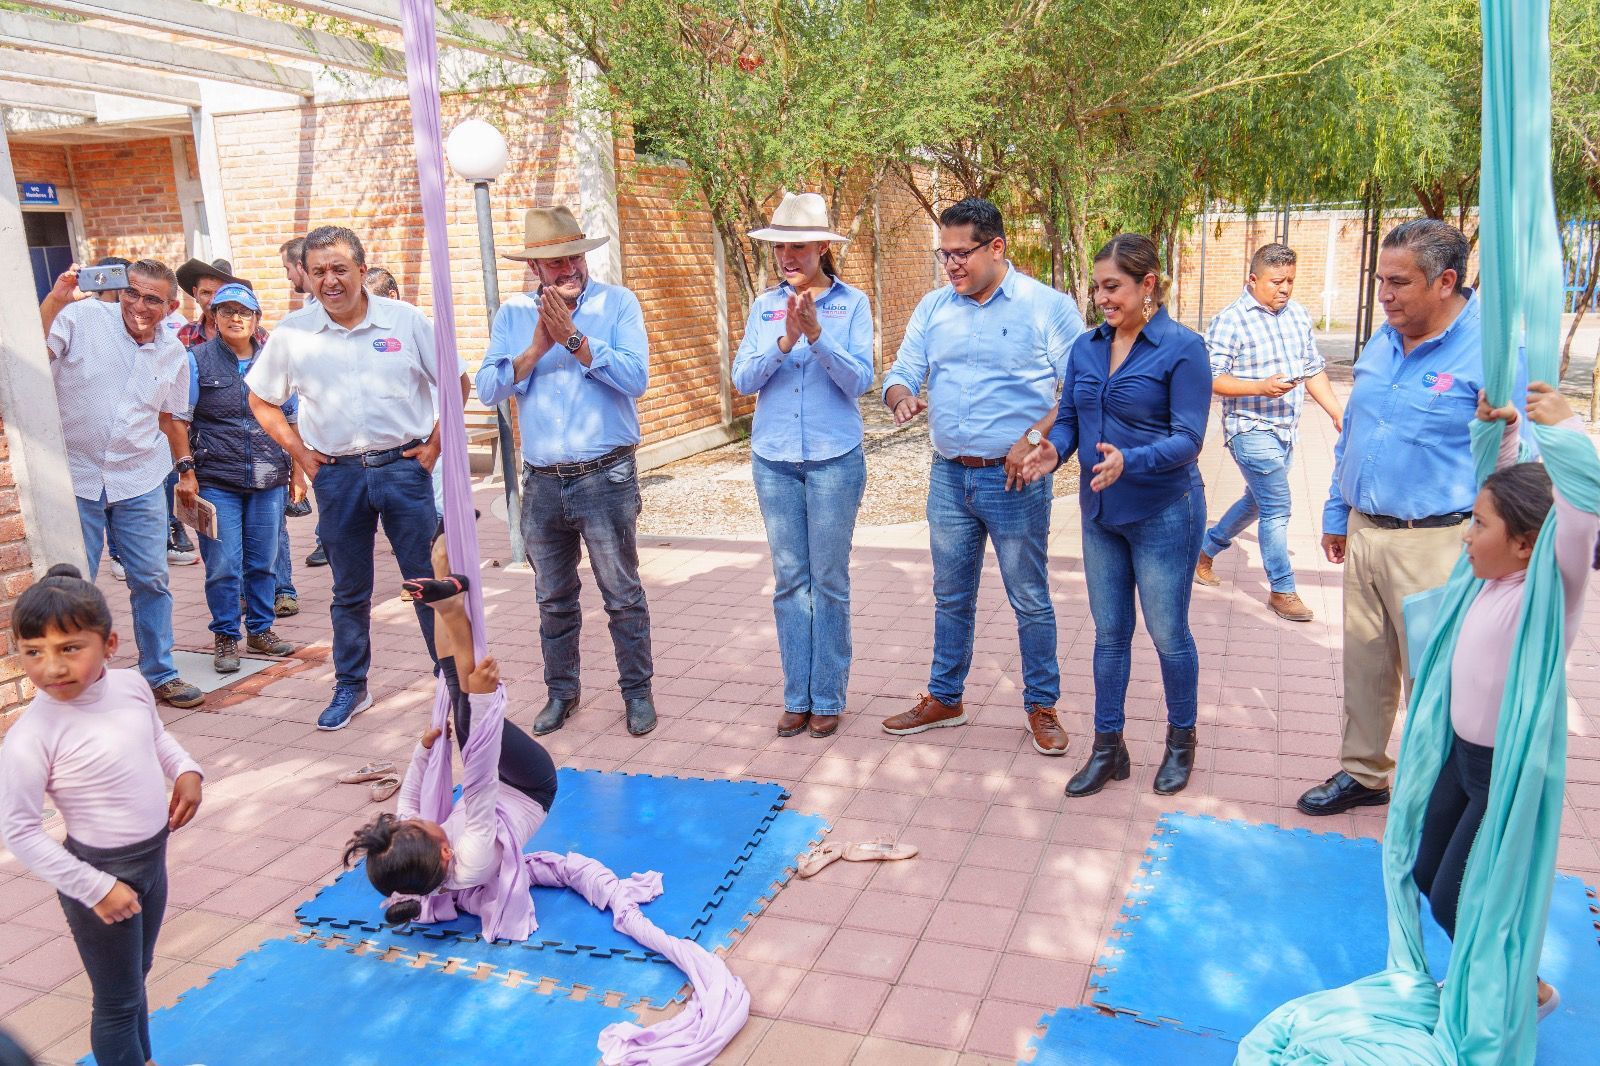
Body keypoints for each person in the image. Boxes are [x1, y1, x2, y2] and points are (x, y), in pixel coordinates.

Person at [1299, 219, 1505, 816]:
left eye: (1399, 282)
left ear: (1445, 281)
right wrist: (1338, 510)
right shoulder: (1385, 338)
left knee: (1433, 679)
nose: (1384, 295)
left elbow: (1519, 461)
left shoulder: (1491, 354)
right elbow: (1355, 433)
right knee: (1365, 664)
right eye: (1380, 280)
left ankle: (1436, 791)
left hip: (1439, 543)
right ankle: (1364, 773)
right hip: (1366, 531)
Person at [1410, 382, 1593, 1023]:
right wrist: (1508, 432)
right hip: (1461, 758)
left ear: (1527, 545)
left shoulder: (1546, 593)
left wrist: (1566, 429)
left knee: (1458, 899)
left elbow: (1577, 520)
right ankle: (1483, 975)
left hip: (1502, 774)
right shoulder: (1485, 577)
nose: (1466, 535)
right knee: (1428, 875)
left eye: (1479, 525)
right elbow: (1504, 490)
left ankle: (1521, 991)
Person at [877, 197, 1084, 755]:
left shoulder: (1047, 307)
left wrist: (1034, 439)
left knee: (1029, 598)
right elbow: (901, 371)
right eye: (943, 254)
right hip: (948, 477)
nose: (951, 265)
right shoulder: (933, 307)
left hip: (1015, 481)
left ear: (996, 247)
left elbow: (1082, 392)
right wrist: (900, 397)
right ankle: (945, 698)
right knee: (950, 595)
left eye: (961, 253)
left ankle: (1042, 705)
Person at [247, 225, 468, 731]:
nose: (330, 280)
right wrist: (300, 453)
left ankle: (452, 681)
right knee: (349, 590)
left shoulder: (405, 320)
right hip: (337, 477)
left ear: (362, 271)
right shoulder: (293, 334)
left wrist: (436, 444)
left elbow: (456, 381)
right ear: (306, 276)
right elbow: (260, 399)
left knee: (427, 583)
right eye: (318, 271)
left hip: (403, 470)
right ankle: (351, 685)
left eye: (339, 269)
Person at [1020, 234, 1211, 796]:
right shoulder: (1086, 347)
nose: (1102, 298)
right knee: (1109, 635)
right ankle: (1109, 749)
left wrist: (1133, 460)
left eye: (1113, 287)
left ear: (1147, 284)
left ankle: (1181, 743)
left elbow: (1190, 439)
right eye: (1096, 288)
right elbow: (1071, 419)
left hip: (1164, 511)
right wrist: (1055, 451)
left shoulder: (1183, 348)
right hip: (1101, 513)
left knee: (1168, 633)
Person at [0, 565, 204, 1066]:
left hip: (152, 862)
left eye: (70, 648)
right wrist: (95, 888)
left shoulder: (131, 685)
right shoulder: (32, 736)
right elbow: (20, 831)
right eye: (33, 652)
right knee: (116, 1002)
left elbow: (155, 736)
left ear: (109, 644)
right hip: (98, 877)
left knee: (137, 980)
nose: (52, 667)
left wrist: (185, 769)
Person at [476, 206, 657, 738]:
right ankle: (562, 694)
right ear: (535, 268)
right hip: (542, 482)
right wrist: (538, 346)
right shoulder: (513, 316)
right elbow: (488, 388)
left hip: (606, 476)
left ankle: (637, 694)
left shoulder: (618, 304)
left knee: (621, 593)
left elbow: (636, 378)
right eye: (554, 261)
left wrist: (576, 340)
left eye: (573, 256)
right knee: (552, 599)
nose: (568, 268)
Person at [342, 536, 557, 928]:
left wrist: (423, 750)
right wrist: (485, 701)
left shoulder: (413, 845)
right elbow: (479, 783)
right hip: (531, 786)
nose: (409, 819)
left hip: (493, 786)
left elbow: (411, 796)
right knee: (467, 719)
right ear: (445, 852)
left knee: (452, 686)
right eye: (415, 825)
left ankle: (443, 580)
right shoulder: (472, 860)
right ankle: (454, 613)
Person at [732, 193, 873, 739]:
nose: (788, 256)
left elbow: (860, 381)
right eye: (780, 247)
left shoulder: (852, 304)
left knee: (829, 580)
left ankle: (828, 695)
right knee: (790, 581)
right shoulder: (763, 306)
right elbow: (743, 379)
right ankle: (797, 695)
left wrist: (816, 336)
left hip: (835, 459)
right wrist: (784, 339)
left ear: (822, 248)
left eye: (799, 246)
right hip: (775, 460)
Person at [39, 260, 205, 708]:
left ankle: (161, 672)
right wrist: (55, 300)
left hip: (140, 477)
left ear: (171, 307)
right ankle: (81, 680)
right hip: (76, 473)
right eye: (132, 292)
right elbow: (33, 354)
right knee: (73, 582)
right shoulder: (81, 317)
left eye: (153, 299)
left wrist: (185, 469)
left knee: (152, 579)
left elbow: (170, 418)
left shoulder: (174, 353)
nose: (139, 306)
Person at [1194, 243, 1344, 621]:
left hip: (1285, 430)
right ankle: (1282, 589)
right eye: (1277, 281)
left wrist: (1337, 413)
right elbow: (1209, 378)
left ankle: (1203, 551)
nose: (1285, 288)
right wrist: (1259, 387)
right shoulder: (1230, 320)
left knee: (1258, 501)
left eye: (1290, 280)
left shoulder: (1298, 315)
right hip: (1249, 429)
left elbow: (1312, 369)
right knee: (1277, 506)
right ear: (1253, 279)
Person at [176, 282, 297, 673]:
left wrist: (298, 472)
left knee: (263, 561)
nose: (236, 318)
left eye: (244, 312)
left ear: (257, 319)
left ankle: (261, 630)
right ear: (214, 316)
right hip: (216, 479)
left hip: (269, 477)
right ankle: (226, 635)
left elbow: (292, 419)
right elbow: (178, 420)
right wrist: (186, 471)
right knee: (224, 565)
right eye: (227, 311)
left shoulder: (273, 360)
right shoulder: (195, 360)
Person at [280, 236, 314, 307]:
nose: (288, 277)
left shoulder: (326, 305)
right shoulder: (311, 302)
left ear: (300, 266)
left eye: (288, 269)